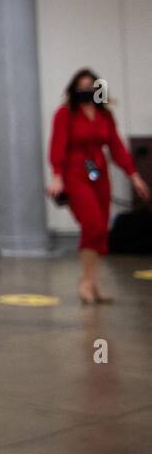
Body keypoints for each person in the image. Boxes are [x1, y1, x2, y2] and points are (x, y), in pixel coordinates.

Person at [47, 69, 149, 303]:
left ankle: (93, 283)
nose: (86, 90)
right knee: (91, 224)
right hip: (74, 173)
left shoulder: (105, 115)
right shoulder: (65, 114)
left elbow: (117, 147)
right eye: (81, 86)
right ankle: (85, 282)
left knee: (102, 229)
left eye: (91, 86)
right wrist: (56, 176)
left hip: (99, 175)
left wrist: (134, 176)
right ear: (74, 89)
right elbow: (57, 145)